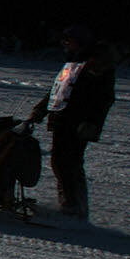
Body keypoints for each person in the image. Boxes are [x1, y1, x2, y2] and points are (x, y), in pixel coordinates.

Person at [26, 27, 116, 221]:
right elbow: (58, 90)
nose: (65, 44)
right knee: (62, 162)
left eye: (68, 40)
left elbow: (105, 98)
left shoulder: (96, 63)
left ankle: (73, 208)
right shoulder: (74, 61)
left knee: (67, 162)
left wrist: (92, 122)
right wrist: (40, 110)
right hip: (63, 118)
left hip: (77, 122)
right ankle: (72, 205)